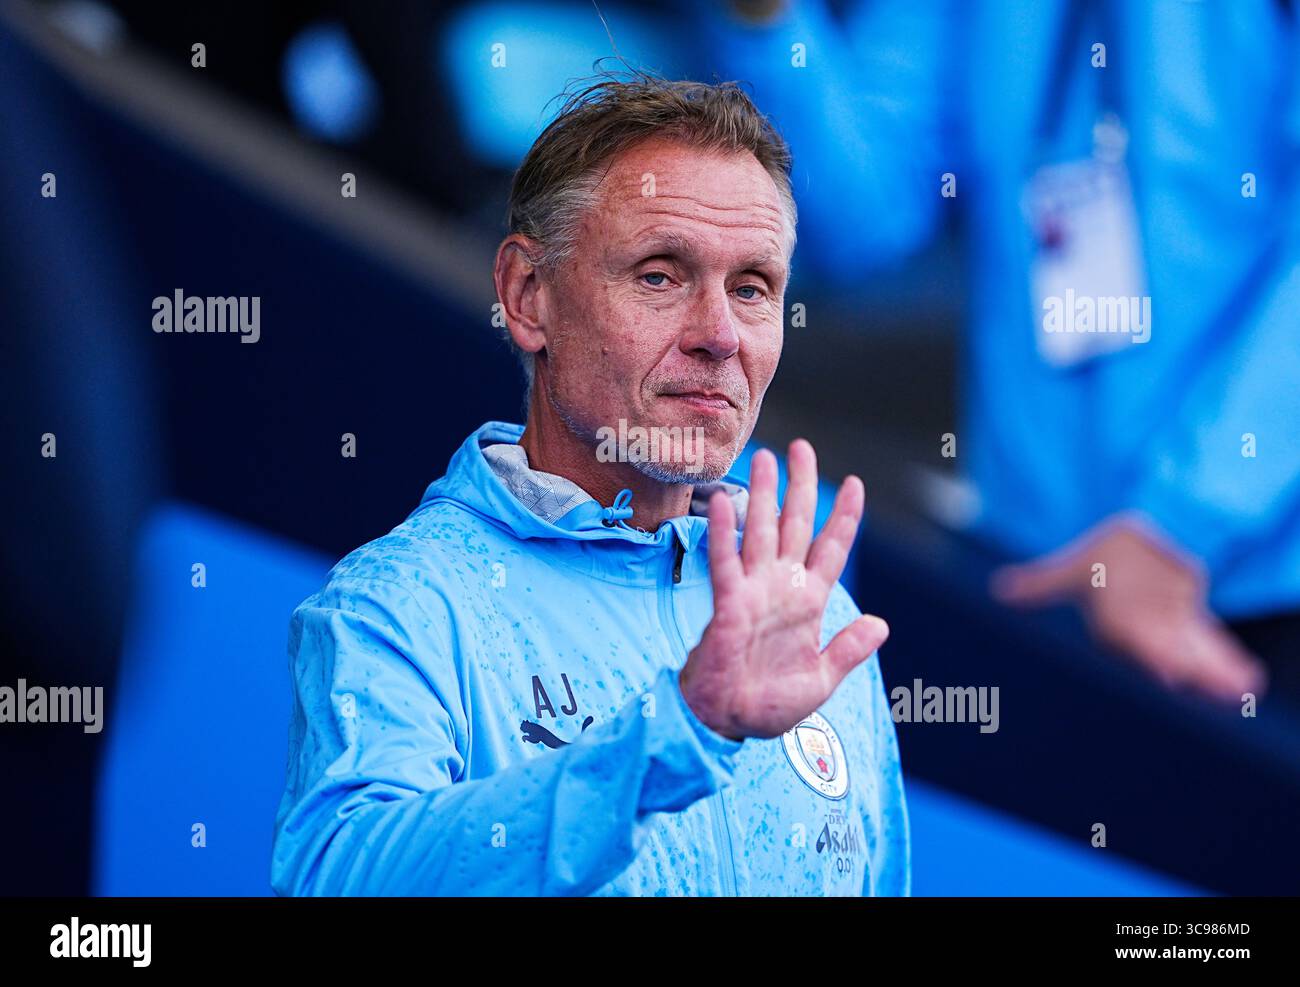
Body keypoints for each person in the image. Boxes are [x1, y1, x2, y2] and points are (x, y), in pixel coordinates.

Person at [270, 72, 910, 896]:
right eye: (659, 274)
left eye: (753, 288)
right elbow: (339, 879)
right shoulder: (401, 605)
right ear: (527, 297)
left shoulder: (821, 619)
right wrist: (676, 736)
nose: (720, 335)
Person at [703, 0, 1300, 706]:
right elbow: (861, 220)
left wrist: (1181, 523)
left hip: (1242, 592)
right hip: (1029, 575)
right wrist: (765, 21)